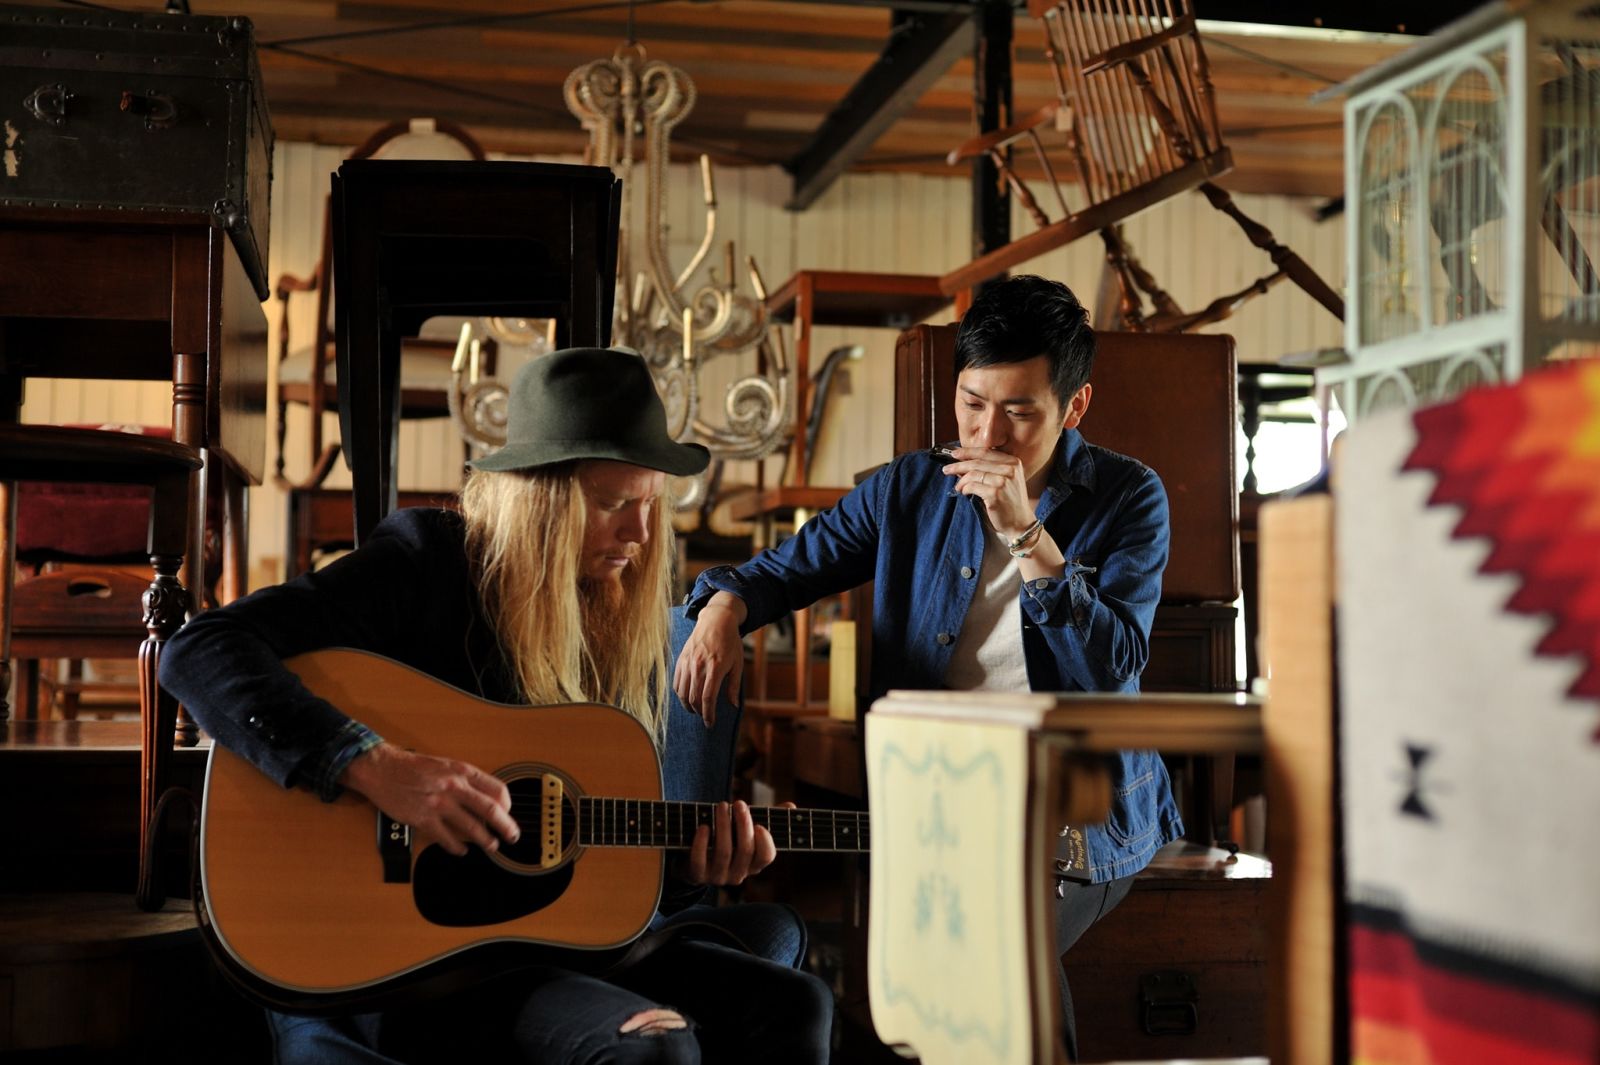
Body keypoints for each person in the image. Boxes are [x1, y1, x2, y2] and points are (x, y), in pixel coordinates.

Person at [160, 347, 833, 1065]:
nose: (640, 535)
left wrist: (697, 868)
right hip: (416, 961)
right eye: (613, 505)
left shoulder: (614, 622)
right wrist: (371, 765)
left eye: (650, 505)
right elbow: (198, 650)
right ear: (540, 500)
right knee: (656, 1051)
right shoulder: (427, 563)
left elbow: (604, 876)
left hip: (546, 948)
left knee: (797, 1005)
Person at [673, 274, 1184, 1061]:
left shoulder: (1130, 496)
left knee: (1000, 940)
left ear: (1074, 406)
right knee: (923, 982)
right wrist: (724, 605)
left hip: (1081, 809)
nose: (988, 433)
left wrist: (1028, 536)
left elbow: (1112, 668)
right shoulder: (912, 486)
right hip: (941, 798)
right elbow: (786, 567)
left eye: (1019, 412)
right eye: (973, 403)